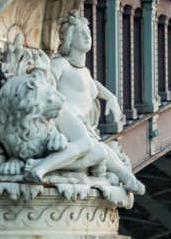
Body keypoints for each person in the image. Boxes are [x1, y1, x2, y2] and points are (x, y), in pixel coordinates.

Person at [25, 13, 143, 194]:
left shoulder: (84, 72)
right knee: (86, 143)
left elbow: (92, 84)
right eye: (81, 33)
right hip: (63, 114)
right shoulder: (61, 64)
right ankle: (40, 169)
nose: (88, 37)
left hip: (81, 124)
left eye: (88, 33)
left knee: (100, 152)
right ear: (69, 39)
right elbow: (45, 84)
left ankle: (43, 165)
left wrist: (110, 97)